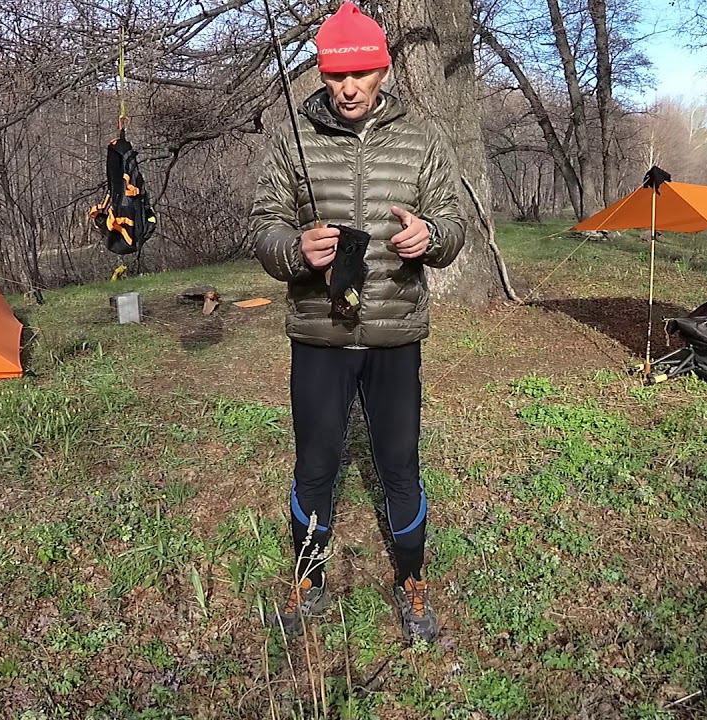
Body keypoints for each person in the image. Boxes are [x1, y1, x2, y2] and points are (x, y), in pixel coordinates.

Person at [249, 0, 465, 643]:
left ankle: (411, 580)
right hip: (320, 333)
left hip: (396, 336)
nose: (347, 88)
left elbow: (454, 228)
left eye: (361, 74)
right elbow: (263, 228)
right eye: (335, 75)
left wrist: (430, 237)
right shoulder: (293, 138)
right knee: (316, 463)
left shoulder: (422, 139)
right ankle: (308, 577)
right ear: (321, 73)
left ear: (383, 71)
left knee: (399, 463)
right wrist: (295, 251)